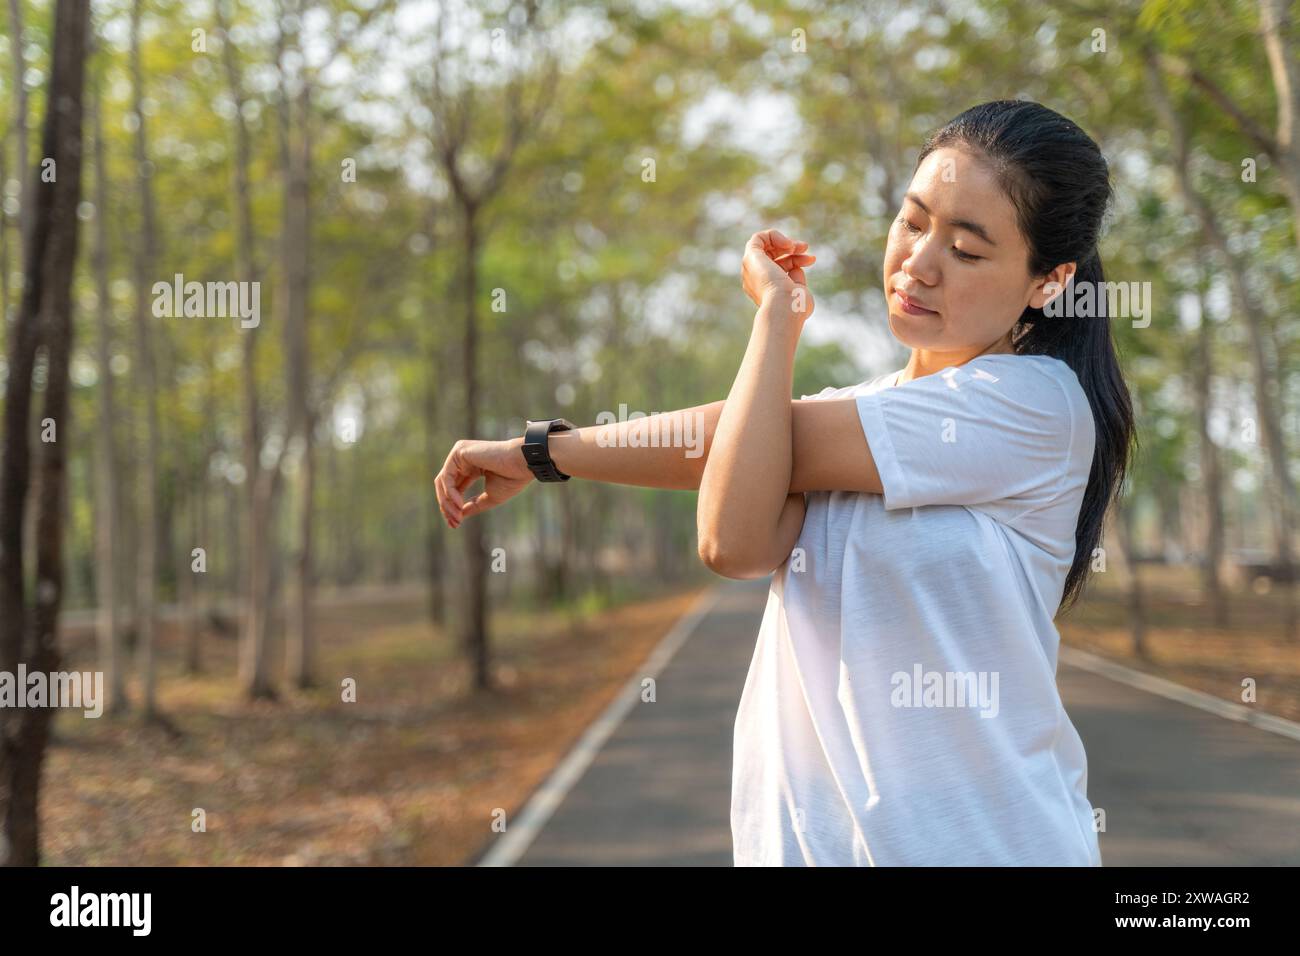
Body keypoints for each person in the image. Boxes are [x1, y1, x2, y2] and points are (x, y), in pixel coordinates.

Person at [434, 99, 1136, 866]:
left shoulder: (1035, 405)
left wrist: (550, 451)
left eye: (966, 250)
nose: (919, 262)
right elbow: (732, 538)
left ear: (1050, 281)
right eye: (912, 220)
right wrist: (542, 451)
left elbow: (767, 440)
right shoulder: (854, 418)